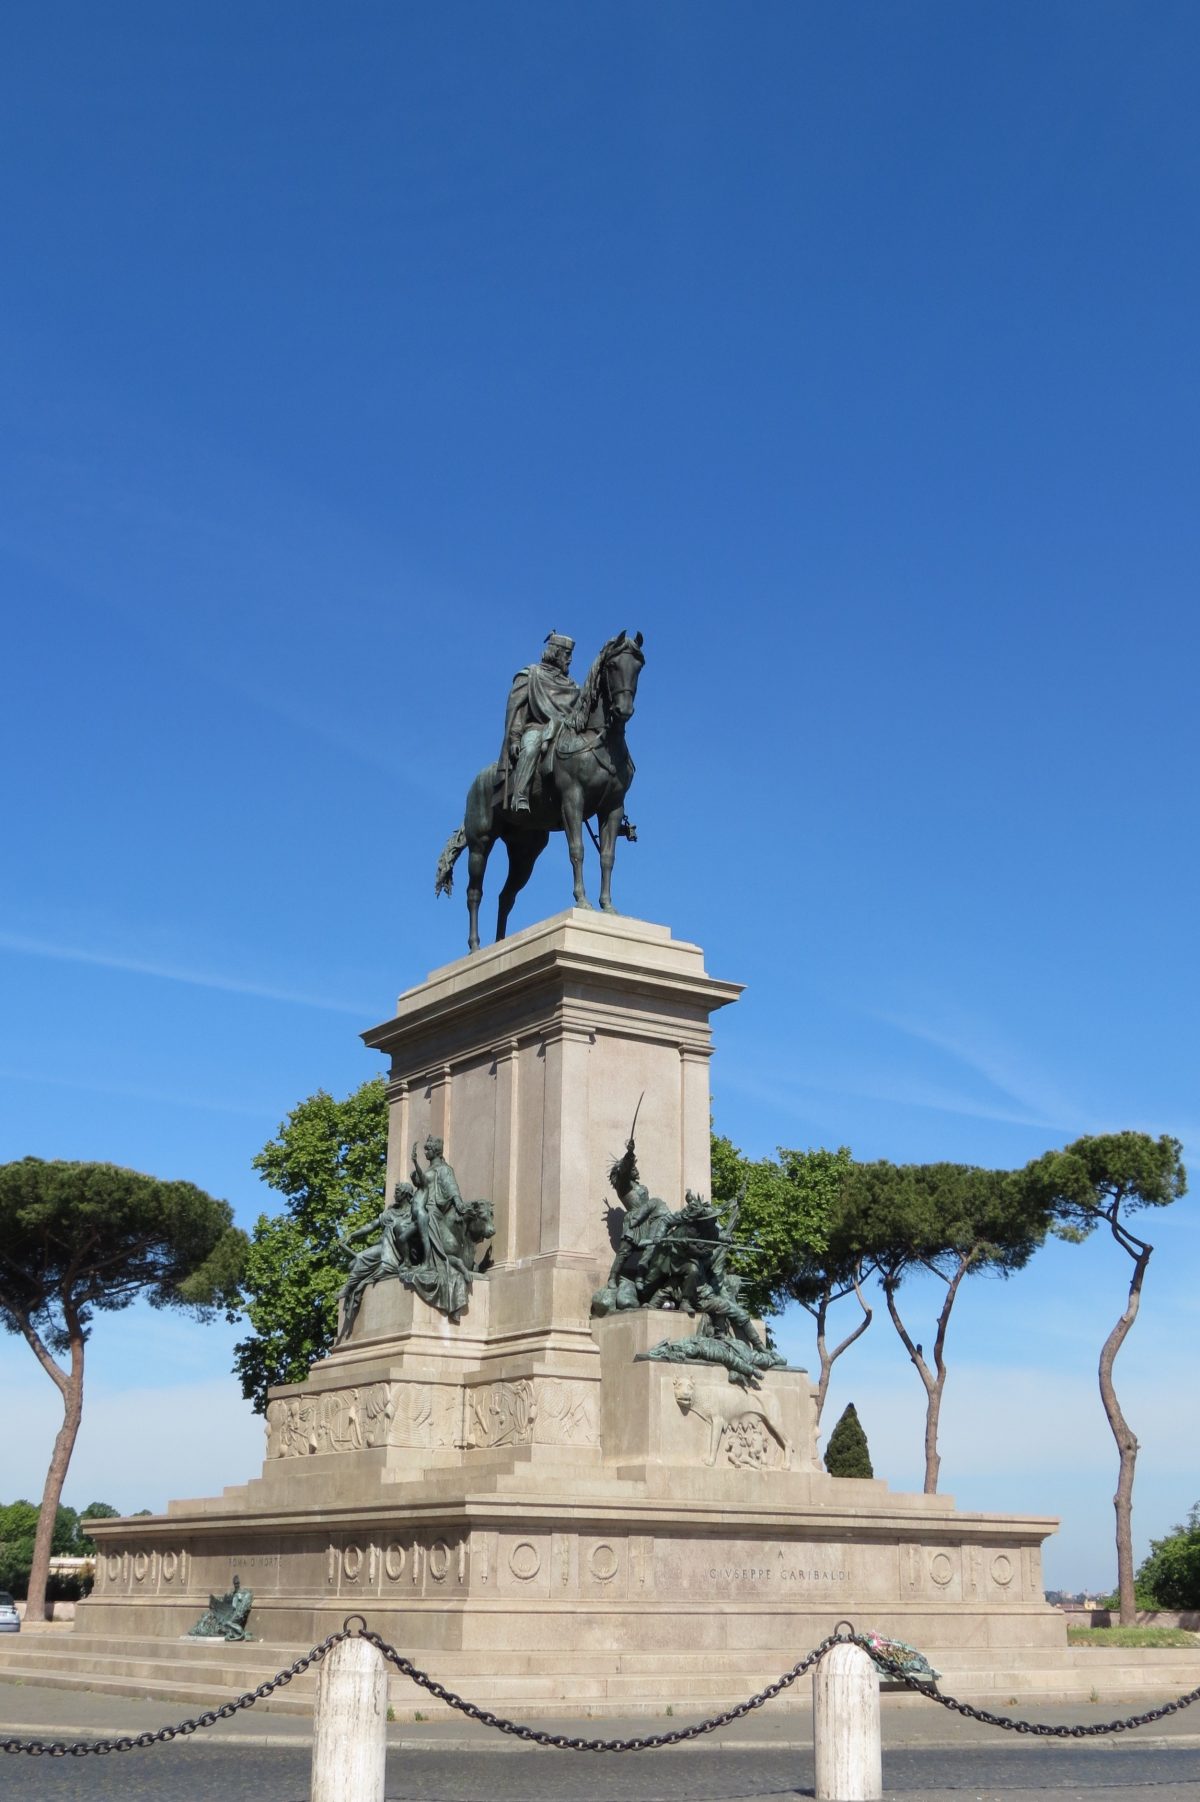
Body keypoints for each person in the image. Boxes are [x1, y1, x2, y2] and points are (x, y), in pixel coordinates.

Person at [500, 632, 583, 813]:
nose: (570, 660)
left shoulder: (574, 688)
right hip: (536, 728)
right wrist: (514, 738)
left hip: (565, 732)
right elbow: (517, 710)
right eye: (567, 655)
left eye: (571, 655)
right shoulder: (531, 675)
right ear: (555, 653)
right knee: (530, 748)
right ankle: (520, 794)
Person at [335, 1181, 425, 1342]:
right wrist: (352, 1235)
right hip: (385, 1247)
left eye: (397, 1192)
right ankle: (349, 1287)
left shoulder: (413, 1212)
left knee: (362, 1257)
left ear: (405, 1194)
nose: (394, 1194)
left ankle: (349, 1287)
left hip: (405, 1251)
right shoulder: (390, 1212)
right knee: (361, 1257)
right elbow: (371, 1226)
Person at [410, 1135, 478, 1320]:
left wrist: (459, 1203)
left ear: (436, 1150)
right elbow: (421, 1181)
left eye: (428, 1148)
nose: (426, 1151)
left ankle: (429, 1262)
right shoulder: (430, 1168)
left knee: (428, 1217)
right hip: (421, 1207)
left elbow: (452, 1188)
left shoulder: (444, 1169)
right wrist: (415, 1163)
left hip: (434, 1210)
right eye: (425, 1148)